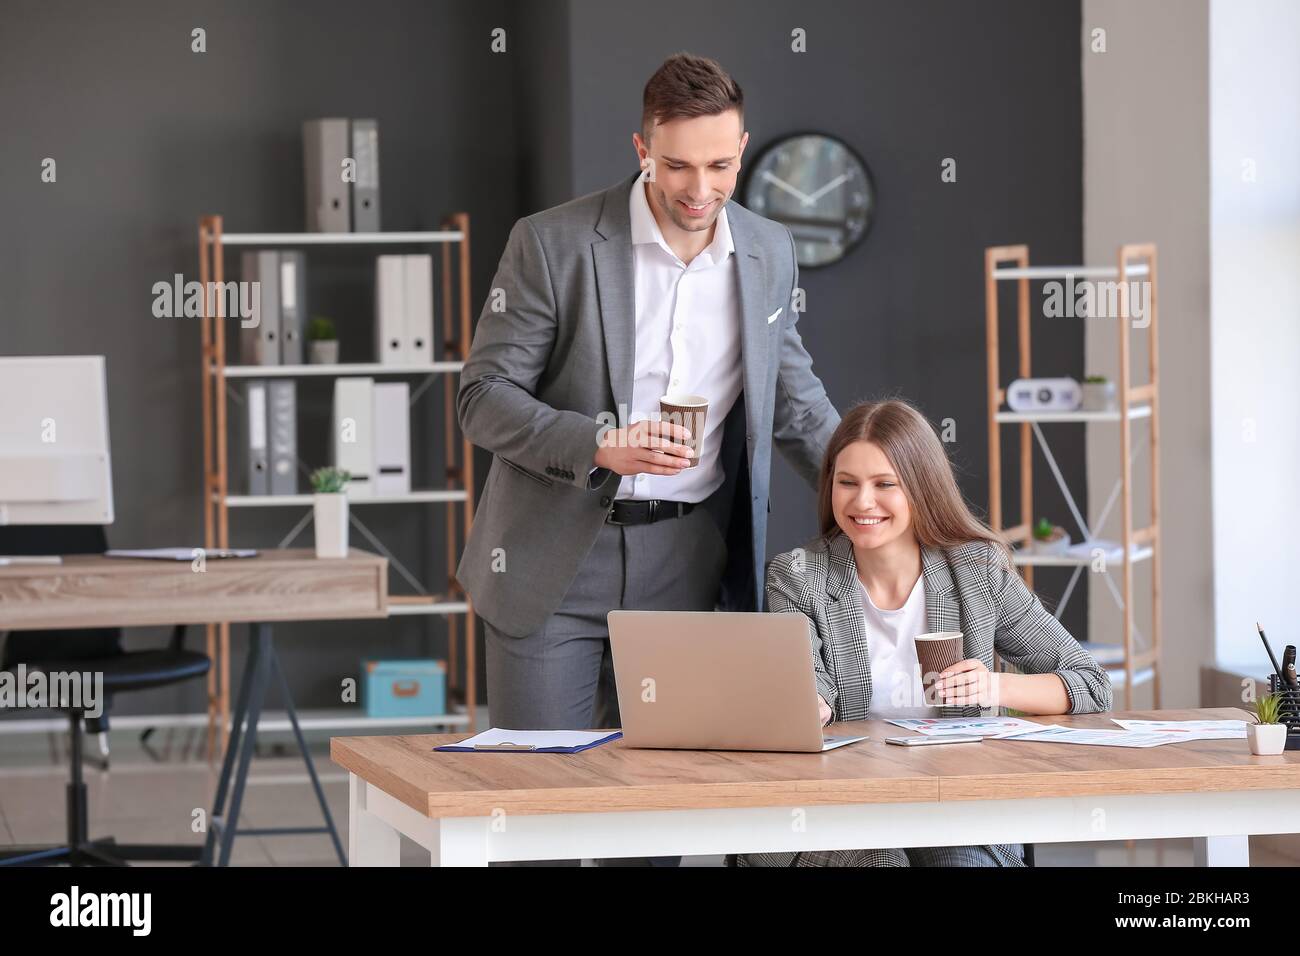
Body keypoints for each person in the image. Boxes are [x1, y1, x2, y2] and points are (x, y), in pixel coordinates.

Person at [455, 52, 839, 826]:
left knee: (656, 818)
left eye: (721, 165)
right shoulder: (552, 244)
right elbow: (481, 400)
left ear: (743, 148)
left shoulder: (767, 253)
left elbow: (795, 407)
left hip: (688, 569)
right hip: (550, 564)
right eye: (678, 166)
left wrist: (901, 492)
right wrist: (601, 443)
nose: (701, 190)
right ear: (642, 151)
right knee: (539, 814)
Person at [736, 399, 1112, 867]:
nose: (862, 502)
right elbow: (813, 687)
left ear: (921, 487)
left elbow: (1091, 683)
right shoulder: (798, 577)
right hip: (839, 807)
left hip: (952, 800)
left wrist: (993, 685)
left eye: (884, 484)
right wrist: (807, 707)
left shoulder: (976, 570)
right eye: (847, 483)